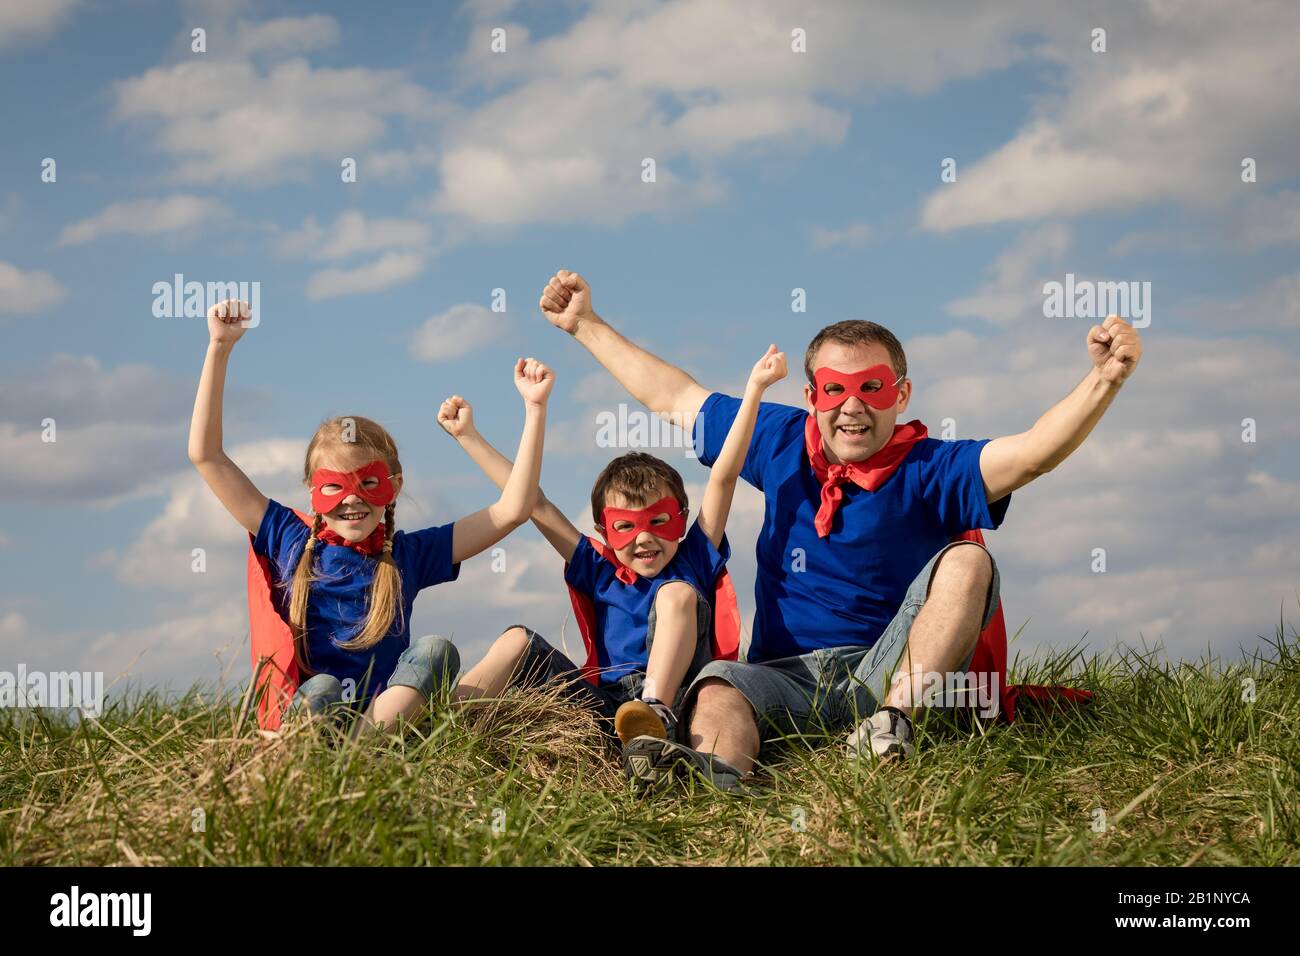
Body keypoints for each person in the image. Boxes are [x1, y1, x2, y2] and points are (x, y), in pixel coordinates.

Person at [535, 270, 1143, 790]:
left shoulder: (933, 466)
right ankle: (714, 791)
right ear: (812, 396)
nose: (852, 406)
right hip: (782, 676)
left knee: (970, 562)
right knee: (718, 688)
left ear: (900, 395)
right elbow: (674, 398)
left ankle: (890, 730)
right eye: (835, 390)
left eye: (871, 389)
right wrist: (585, 323)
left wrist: (1105, 379)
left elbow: (1033, 453)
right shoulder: (777, 439)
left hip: (886, 670)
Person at [189, 298, 552, 733]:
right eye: (334, 486)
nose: (351, 500)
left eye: (368, 483)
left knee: (436, 652)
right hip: (313, 715)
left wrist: (535, 410)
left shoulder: (410, 554)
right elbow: (207, 456)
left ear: (394, 487)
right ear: (311, 490)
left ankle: (358, 754)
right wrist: (220, 347)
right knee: (320, 687)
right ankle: (317, 752)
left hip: (384, 721)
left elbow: (513, 510)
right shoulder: (285, 534)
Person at [443, 339, 787, 782]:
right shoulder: (600, 569)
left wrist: (755, 389)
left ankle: (655, 714)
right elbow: (534, 504)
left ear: (680, 521)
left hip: (685, 707)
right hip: (608, 711)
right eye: (626, 527)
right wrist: (478, 432)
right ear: (605, 532)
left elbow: (722, 475)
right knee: (516, 640)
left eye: (658, 521)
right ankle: (447, 734)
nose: (644, 538)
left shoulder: (694, 559)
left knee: (677, 594)